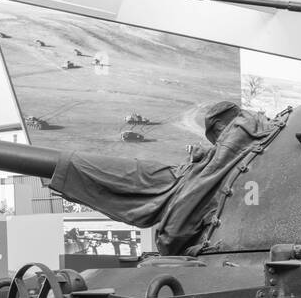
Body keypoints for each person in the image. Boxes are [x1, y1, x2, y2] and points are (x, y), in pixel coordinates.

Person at [48, 100, 278, 256]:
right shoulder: (254, 134)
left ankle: (72, 168)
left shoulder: (241, 130)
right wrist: (204, 156)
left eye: (215, 137)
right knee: (136, 176)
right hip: (177, 179)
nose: (216, 143)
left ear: (220, 125)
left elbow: (208, 177)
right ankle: (71, 167)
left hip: (183, 186)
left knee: (137, 178)